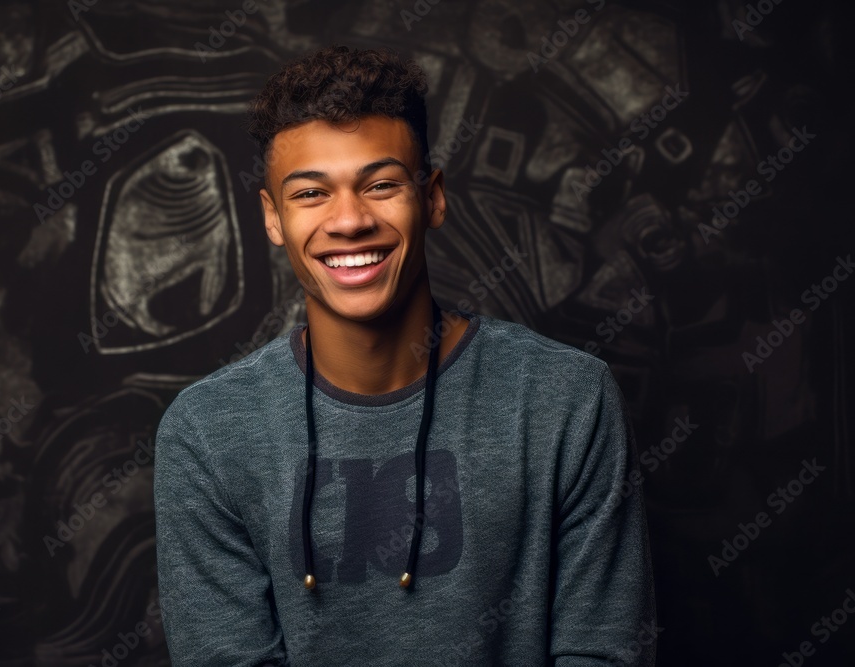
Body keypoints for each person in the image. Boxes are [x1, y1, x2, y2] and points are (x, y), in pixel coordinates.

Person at [154, 44, 655, 666]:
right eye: (310, 193)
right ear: (273, 218)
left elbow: (603, 653)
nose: (349, 221)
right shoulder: (206, 432)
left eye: (381, 185)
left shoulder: (566, 399)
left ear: (433, 197)